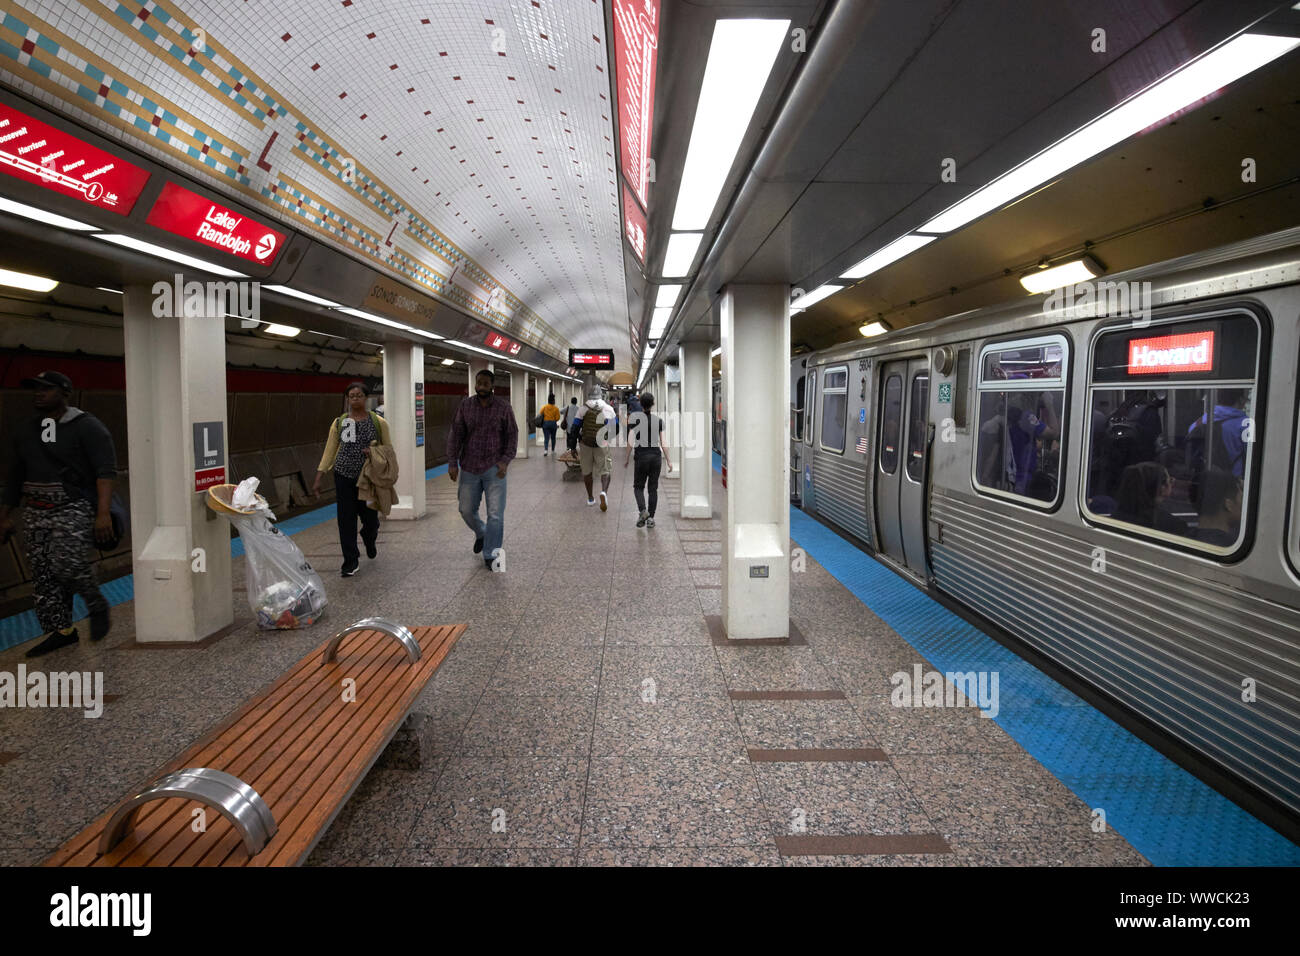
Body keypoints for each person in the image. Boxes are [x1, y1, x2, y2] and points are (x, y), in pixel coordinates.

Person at [0, 371, 117, 657]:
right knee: (43, 574)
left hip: (72, 505)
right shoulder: (26, 431)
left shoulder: (87, 427)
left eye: (46, 389)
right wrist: (5, 514)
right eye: (35, 389)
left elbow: (105, 472)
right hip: (34, 509)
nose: (38, 393)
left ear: (65, 392)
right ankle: (61, 631)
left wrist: (103, 514)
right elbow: (15, 477)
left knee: (67, 564)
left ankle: (95, 602)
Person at [313, 382, 391, 577]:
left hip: (367, 478)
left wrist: (373, 452)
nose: (355, 399)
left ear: (366, 398)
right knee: (345, 520)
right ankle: (350, 560)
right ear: (347, 399)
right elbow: (330, 450)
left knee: (370, 518)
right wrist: (320, 475)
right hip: (343, 475)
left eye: (358, 395)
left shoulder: (378, 422)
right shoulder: (339, 422)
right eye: (351, 396)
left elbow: (388, 450)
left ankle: (369, 536)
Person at [447, 369, 518, 569]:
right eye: (479, 383)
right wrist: (452, 462)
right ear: (475, 384)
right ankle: (481, 532)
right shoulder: (466, 406)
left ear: (492, 386)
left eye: (486, 384)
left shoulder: (503, 407)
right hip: (469, 466)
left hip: (495, 469)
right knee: (466, 509)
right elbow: (456, 434)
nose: (482, 387)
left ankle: (491, 554)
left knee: (496, 513)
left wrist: (505, 461)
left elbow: (512, 435)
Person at [623, 392, 672, 528]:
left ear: (640, 404)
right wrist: (668, 460)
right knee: (652, 489)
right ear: (653, 404)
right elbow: (664, 443)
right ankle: (651, 518)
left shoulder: (635, 420)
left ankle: (643, 511)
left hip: (641, 457)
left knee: (638, 487)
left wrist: (626, 458)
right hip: (656, 457)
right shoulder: (658, 421)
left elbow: (630, 441)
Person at [1186, 389, 1250, 478]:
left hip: (1202, 483)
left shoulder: (1196, 424)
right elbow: (1252, 458)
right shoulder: (1246, 424)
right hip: (1231, 485)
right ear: (1241, 400)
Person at [578, 385, 616, 511]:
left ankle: (590, 498)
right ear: (601, 395)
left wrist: (572, 446)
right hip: (602, 443)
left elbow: (574, 428)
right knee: (605, 469)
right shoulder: (608, 409)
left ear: (589, 395)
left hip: (585, 444)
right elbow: (615, 429)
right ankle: (604, 492)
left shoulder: (583, 409)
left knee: (587, 471)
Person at [1193, 468, 1243, 547]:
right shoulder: (1233, 547)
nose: (1243, 505)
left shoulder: (1184, 538)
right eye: (1242, 498)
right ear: (1228, 505)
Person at [539, 393, 561, 457]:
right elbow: (558, 418)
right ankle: (553, 450)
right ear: (553, 401)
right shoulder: (556, 408)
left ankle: (545, 450)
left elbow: (540, 413)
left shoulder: (544, 407)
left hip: (545, 424)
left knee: (546, 438)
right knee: (553, 438)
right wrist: (553, 419)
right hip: (553, 424)